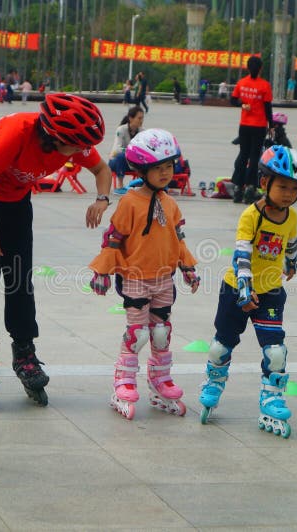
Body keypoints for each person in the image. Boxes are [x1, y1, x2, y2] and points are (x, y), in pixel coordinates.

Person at [0, 93, 112, 410]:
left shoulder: (74, 140)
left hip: (15, 201)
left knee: (19, 280)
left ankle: (24, 352)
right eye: (77, 145)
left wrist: (102, 200)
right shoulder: (18, 132)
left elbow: (103, 172)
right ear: (56, 136)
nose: (82, 151)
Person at [89, 128, 200, 420]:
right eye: (158, 168)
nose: (165, 173)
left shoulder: (171, 203)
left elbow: (178, 239)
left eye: (169, 166)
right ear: (142, 169)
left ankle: (159, 380)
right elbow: (113, 239)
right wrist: (102, 271)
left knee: (161, 333)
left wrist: (188, 267)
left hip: (164, 278)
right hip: (136, 277)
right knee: (137, 334)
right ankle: (123, 381)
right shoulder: (129, 202)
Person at [198, 145, 297, 436]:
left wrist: (292, 261)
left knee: (275, 351)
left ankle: (271, 397)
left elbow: (291, 240)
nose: (288, 193)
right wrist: (245, 291)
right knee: (222, 344)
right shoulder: (251, 215)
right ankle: (214, 382)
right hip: (236, 289)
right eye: (282, 186)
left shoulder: (292, 216)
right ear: (264, 183)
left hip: (270, 291)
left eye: (294, 188)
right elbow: (241, 254)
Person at [230, 55, 274, 204]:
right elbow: (268, 107)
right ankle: (250, 187)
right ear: (260, 68)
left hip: (244, 125)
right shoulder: (264, 85)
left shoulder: (241, 83)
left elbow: (233, 100)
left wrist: (243, 105)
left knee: (243, 155)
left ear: (247, 67)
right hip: (259, 126)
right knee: (255, 157)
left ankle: (238, 188)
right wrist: (272, 125)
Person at [109, 106, 145, 195]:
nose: (141, 121)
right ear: (131, 118)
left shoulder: (143, 132)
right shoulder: (121, 130)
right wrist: (132, 151)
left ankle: (145, 185)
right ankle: (120, 186)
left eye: (142, 118)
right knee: (121, 156)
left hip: (133, 163)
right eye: (139, 118)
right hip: (116, 162)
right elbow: (117, 149)